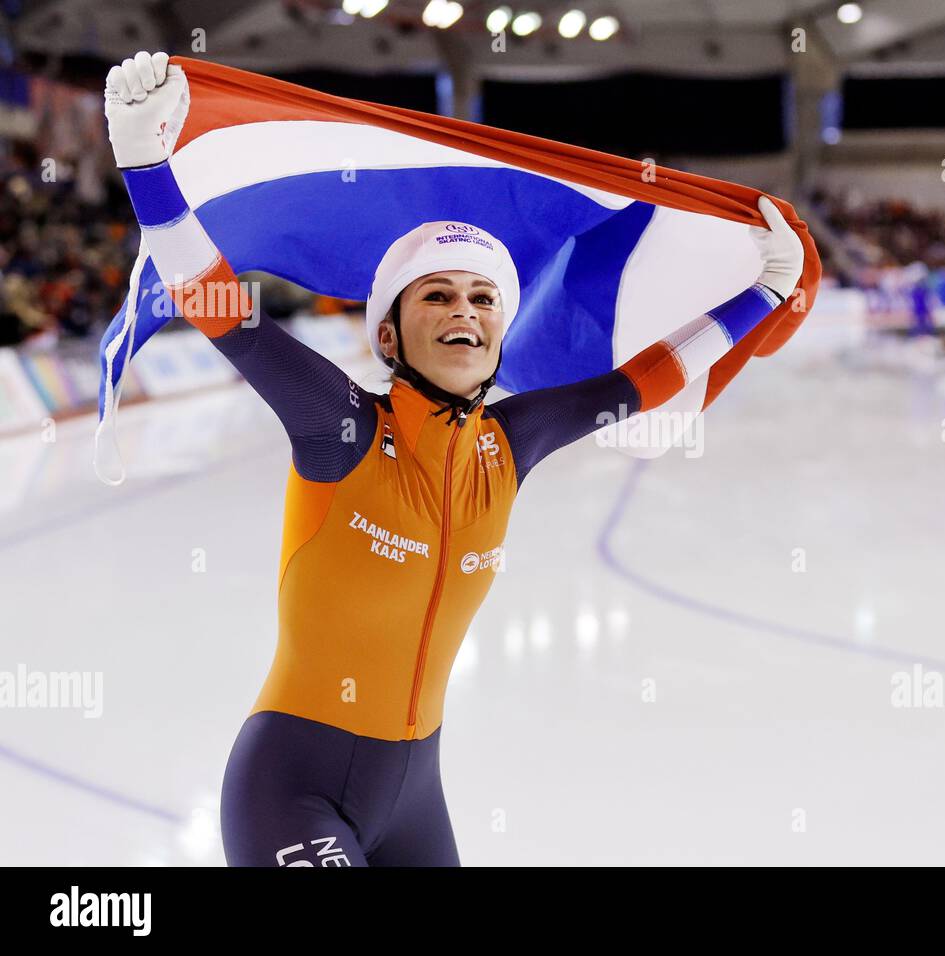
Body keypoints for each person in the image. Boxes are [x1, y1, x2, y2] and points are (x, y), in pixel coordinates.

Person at [104, 52, 804, 866]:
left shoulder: (513, 444)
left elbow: (638, 383)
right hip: (290, 787)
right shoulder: (341, 428)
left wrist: (763, 292)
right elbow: (218, 304)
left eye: (480, 299)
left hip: (415, 801)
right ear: (391, 336)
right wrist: (146, 163)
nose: (463, 311)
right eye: (437, 295)